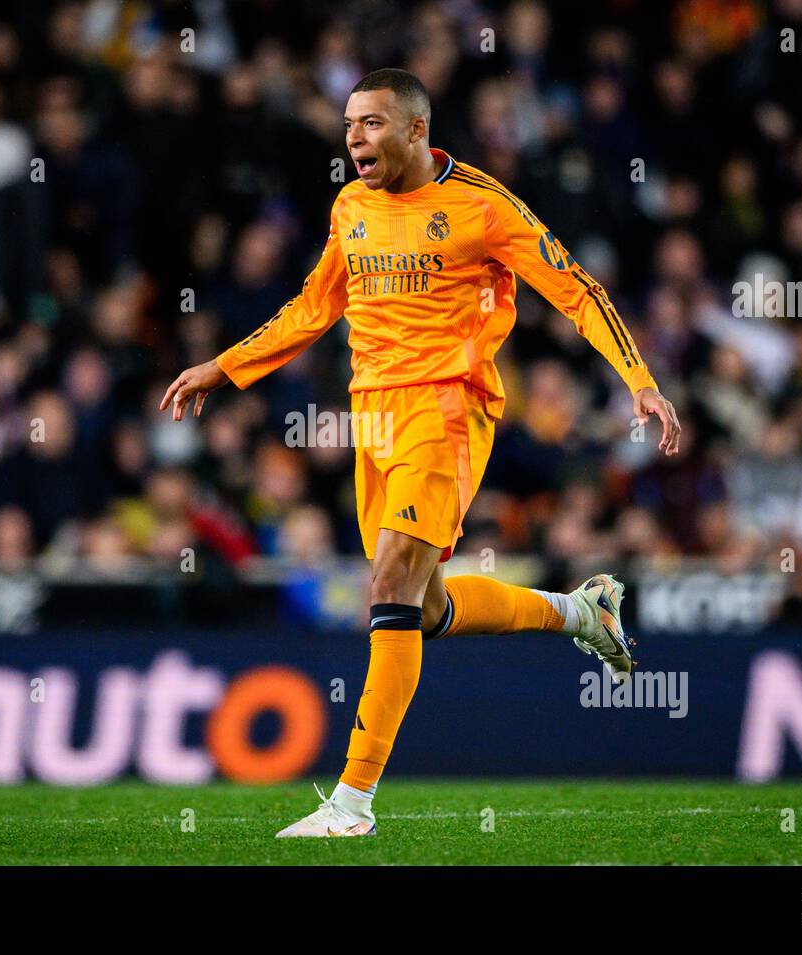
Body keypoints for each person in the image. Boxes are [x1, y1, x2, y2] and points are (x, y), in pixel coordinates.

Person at [161, 69, 681, 837]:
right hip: (373, 417)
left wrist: (638, 379)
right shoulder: (350, 206)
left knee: (388, 582)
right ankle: (580, 611)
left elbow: (576, 288)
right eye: (347, 125)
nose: (353, 139)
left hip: (447, 408)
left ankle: (352, 802)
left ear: (414, 130)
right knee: (424, 606)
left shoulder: (481, 206)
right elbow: (314, 306)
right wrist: (226, 365)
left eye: (370, 124)